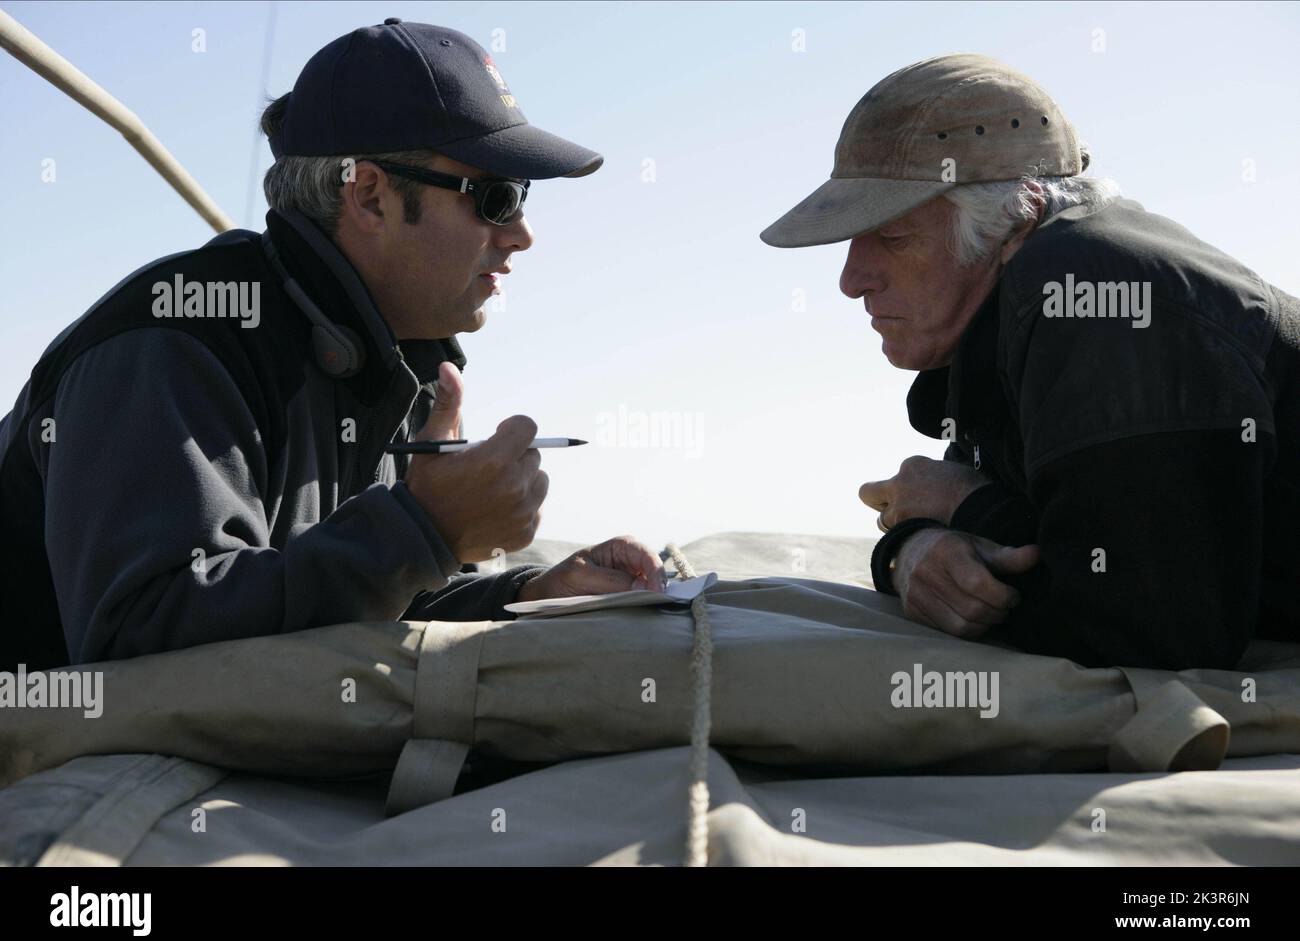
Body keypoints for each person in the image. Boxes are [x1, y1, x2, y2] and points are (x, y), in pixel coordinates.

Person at [0, 20, 662, 672]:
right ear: (370, 195)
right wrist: (422, 530)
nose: (522, 234)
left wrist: (527, 594)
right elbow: (142, 644)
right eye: (495, 197)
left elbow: (355, 605)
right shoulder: (172, 342)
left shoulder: (401, 362)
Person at [761, 53, 1300, 670]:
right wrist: (915, 548)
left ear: (1011, 223)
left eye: (893, 237)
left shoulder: (1096, 295)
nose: (851, 281)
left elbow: (1152, 634)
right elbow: (1038, 530)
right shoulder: (1016, 304)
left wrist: (964, 507)